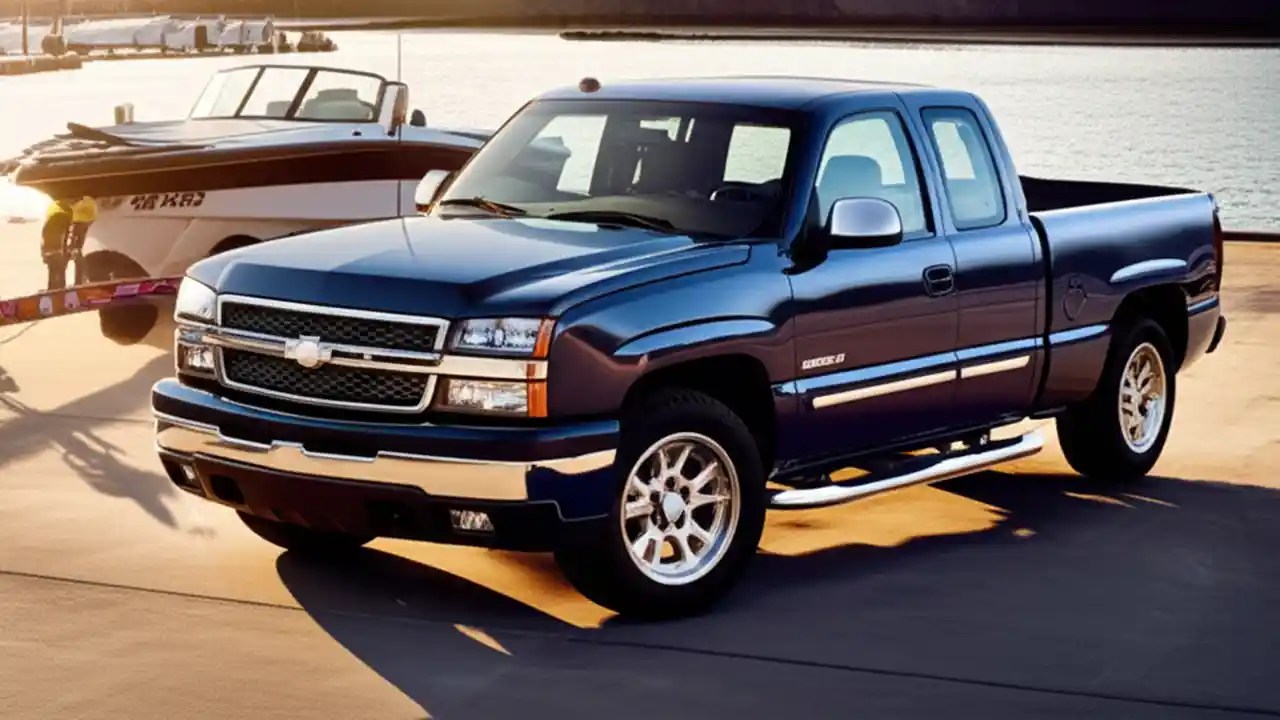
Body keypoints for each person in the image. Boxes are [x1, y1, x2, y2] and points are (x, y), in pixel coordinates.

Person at [41, 200, 72, 290]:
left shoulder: (50, 221)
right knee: (60, 273)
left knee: (52, 273)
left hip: (50, 251)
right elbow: (65, 237)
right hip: (57, 251)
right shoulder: (65, 219)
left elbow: (44, 236)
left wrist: (43, 253)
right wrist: (66, 252)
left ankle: (52, 290)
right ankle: (60, 291)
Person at [69, 195, 97, 285]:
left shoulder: (85, 202)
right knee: (78, 252)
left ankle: (79, 280)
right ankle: (81, 279)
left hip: (79, 223)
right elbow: (94, 216)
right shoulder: (90, 202)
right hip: (84, 224)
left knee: (77, 253)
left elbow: (73, 210)